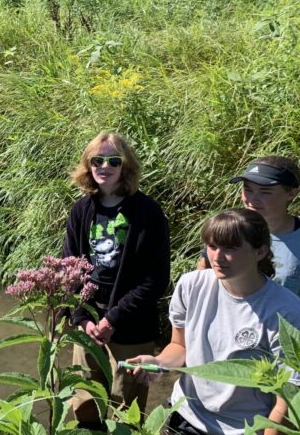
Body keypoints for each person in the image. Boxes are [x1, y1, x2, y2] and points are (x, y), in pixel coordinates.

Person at [128, 208, 300, 435]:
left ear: (260, 252)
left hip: (246, 428)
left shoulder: (287, 310)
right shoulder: (191, 285)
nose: (217, 257)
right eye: (212, 246)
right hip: (186, 416)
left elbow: (288, 396)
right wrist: (159, 363)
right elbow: (180, 347)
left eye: (231, 248)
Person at [62, 132, 171, 429]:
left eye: (113, 160)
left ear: (126, 166)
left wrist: (112, 319)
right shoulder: (82, 209)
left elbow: (155, 279)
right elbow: (68, 267)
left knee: (128, 407)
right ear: (88, 164)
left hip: (132, 325)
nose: (104, 166)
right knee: (84, 400)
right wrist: (83, 317)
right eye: (97, 160)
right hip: (88, 324)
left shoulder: (148, 212)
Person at [197, 156, 300, 295]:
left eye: (265, 192)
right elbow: (202, 283)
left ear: (292, 193)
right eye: (248, 189)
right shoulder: (229, 228)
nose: (252, 199)